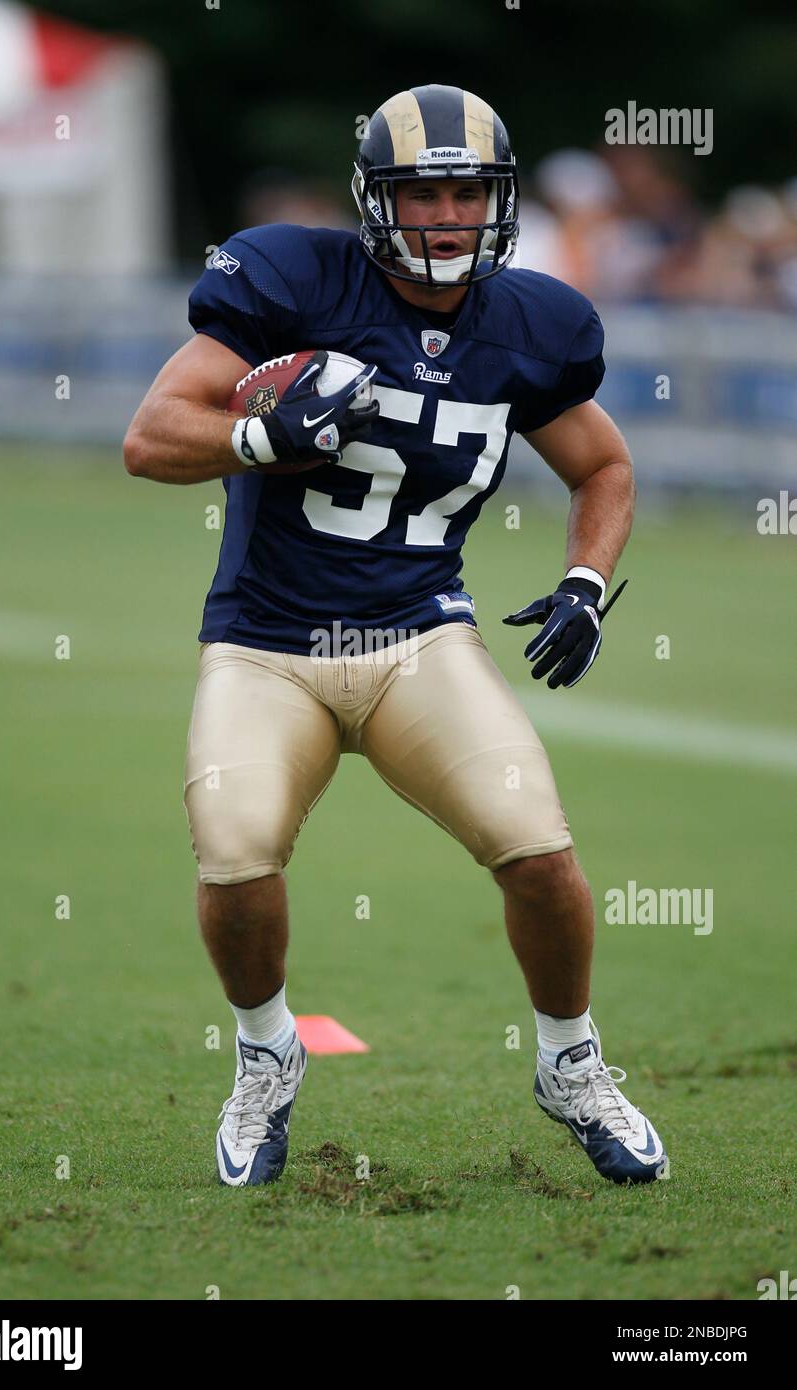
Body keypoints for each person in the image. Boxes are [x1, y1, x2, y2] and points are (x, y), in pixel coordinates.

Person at [123, 84, 666, 1189]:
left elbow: (601, 465)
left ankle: (569, 1062)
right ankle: (268, 1048)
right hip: (268, 642)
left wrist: (581, 579)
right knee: (234, 856)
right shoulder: (293, 279)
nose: (449, 216)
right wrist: (261, 434)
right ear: (376, 200)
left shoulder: (530, 325)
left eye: (469, 192)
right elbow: (150, 438)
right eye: (424, 193)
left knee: (539, 851)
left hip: (420, 635)